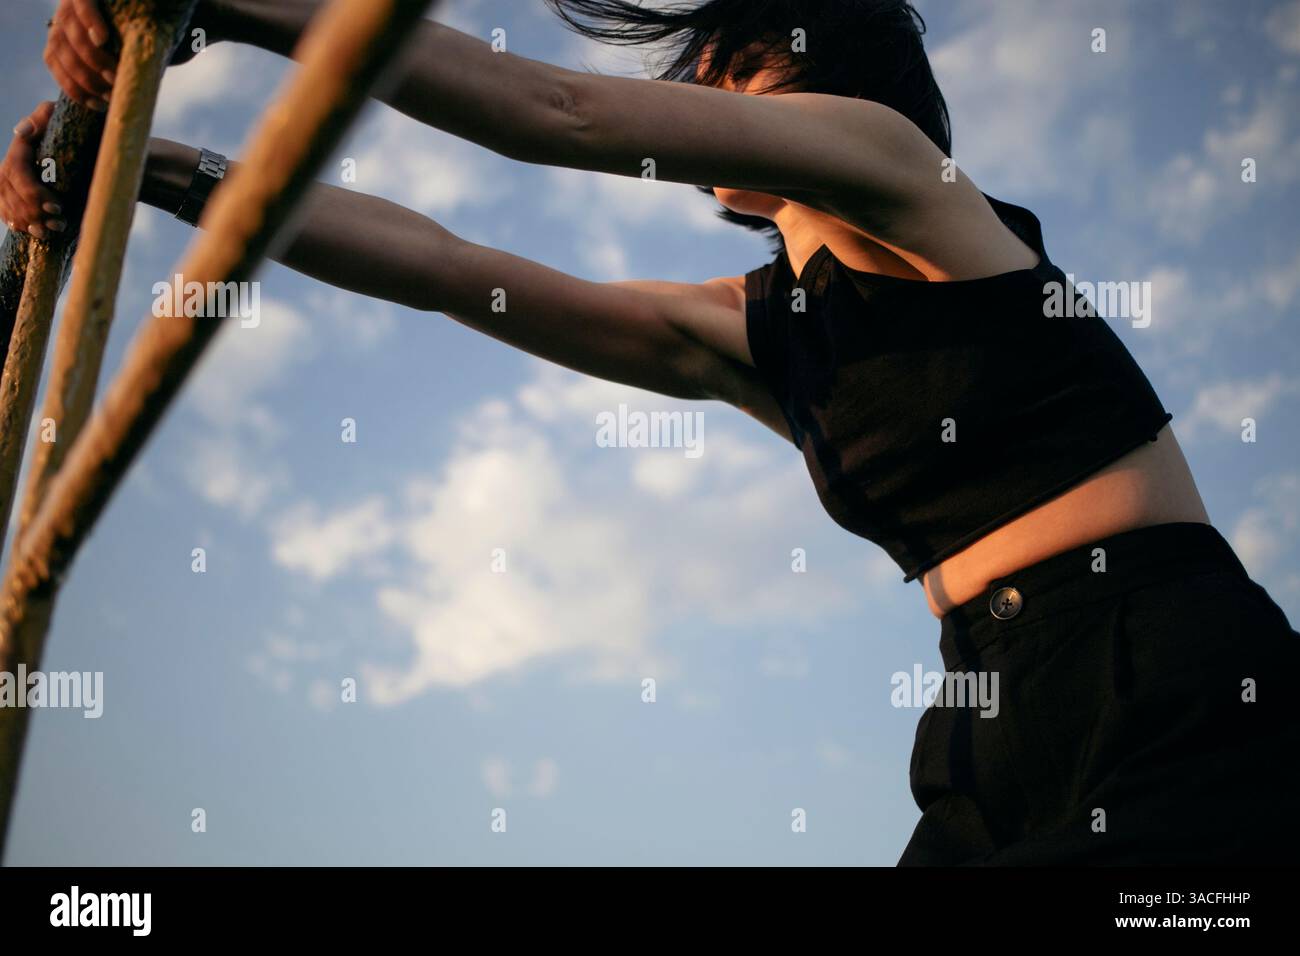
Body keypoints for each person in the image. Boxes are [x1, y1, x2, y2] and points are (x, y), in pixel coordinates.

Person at [4, 0, 1297, 864]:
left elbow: (559, 114)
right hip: (981, 714)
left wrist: (226, 4)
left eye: (748, 54)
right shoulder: (752, 333)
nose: (715, 79)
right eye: (710, 63)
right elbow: (451, 264)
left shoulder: (900, 166)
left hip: (1154, 660)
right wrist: (156, 168)